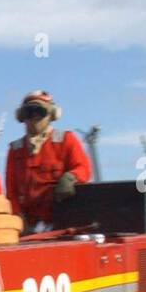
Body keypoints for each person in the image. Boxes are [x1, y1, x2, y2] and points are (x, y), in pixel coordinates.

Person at [5, 90, 92, 228]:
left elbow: (84, 169)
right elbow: (11, 192)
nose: (34, 117)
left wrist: (71, 177)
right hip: (30, 226)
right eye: (29, 112)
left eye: (40, 111)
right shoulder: (15, 151)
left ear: (52, 115)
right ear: (22, 117)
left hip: (62, 222)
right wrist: (19, 220)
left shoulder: (66, 140)